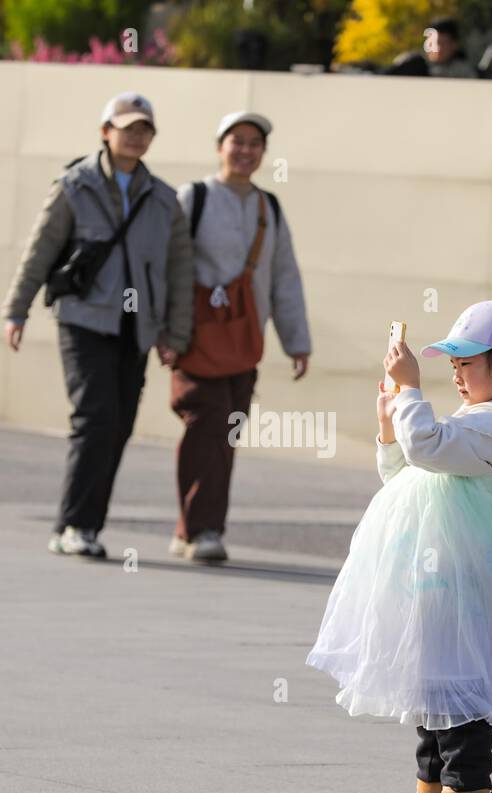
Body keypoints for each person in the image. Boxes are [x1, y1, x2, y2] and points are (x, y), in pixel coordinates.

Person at [306, 300, 492, 793]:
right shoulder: (472, 424)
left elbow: (430, 448)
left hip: (463, 574)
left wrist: (411, 392)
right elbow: (405, 470)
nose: (457, 374)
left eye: (467, 362)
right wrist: (388, 429)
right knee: (432, 680)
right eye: (454, 364)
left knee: (461, 689)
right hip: (435, 576)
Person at [1, 92, 193, 560]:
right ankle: (77, 526)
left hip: (137, 327)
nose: (136, 136)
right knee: (96, 417)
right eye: (127, 127)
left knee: (119, 424)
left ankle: (81, 524)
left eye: (144, 129)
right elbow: (41, 248)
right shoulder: (75, 185)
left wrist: (175, 333)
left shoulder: (164, 198)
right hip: (84, 318)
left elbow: (179, 270)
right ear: (105, 131)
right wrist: (17, 309)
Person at [168, 111, 311, 563]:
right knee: (206, 423)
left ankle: (191, 529)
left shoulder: (270, 206)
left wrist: (297, 340)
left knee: (225, 431)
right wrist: (165, 332)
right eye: (237, 141)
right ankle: (203, 529)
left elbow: (284, 276)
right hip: (194, 337)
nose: (246, 150)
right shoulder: (194, 197)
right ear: (219, 146)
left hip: (244, 341)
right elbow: (166, 266)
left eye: (255, 143)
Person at [383, 17, 477, 79]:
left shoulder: (463, 71)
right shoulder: (409, 62)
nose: (435, 47)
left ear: (454, 45)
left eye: (442, 43)